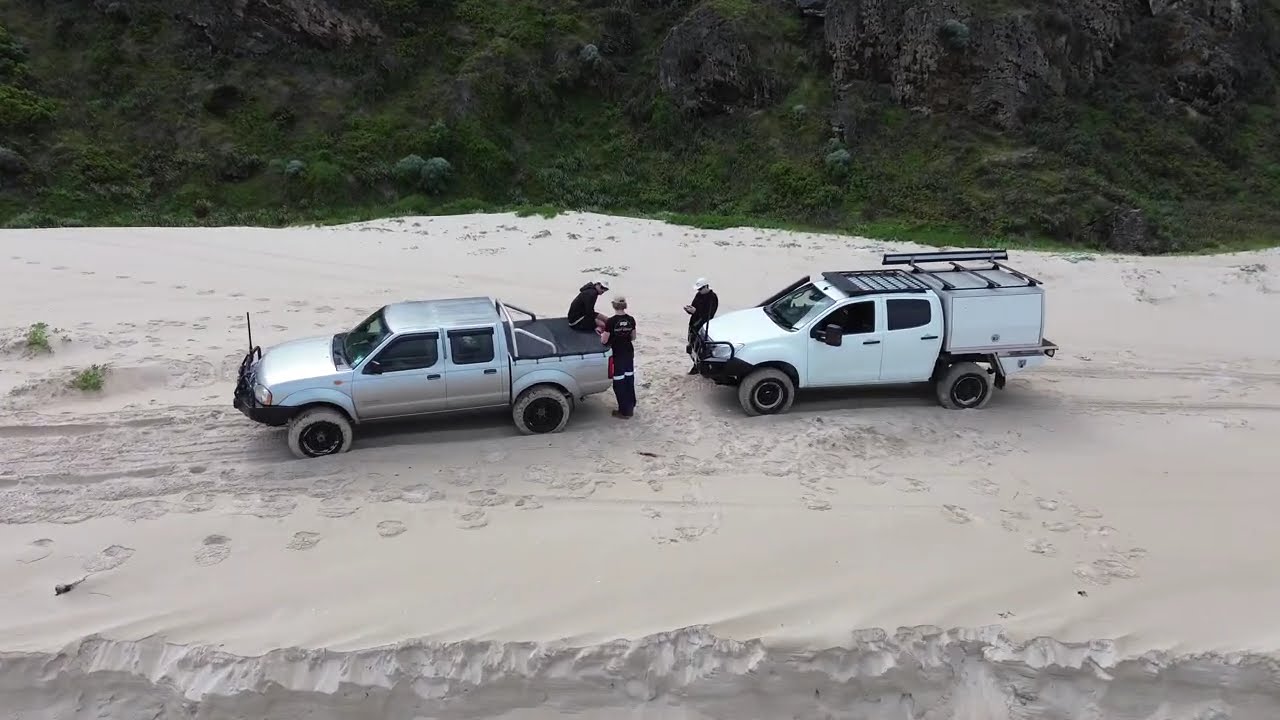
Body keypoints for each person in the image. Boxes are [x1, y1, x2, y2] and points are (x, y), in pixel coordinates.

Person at [600, 295, 637, 419]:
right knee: (629, 379)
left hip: (618, 354)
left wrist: (601, 334)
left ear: (613, 305)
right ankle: (631, 405)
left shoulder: (611, 321)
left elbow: (604, 341)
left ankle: (624, 411)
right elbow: (633, 337)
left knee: (619, 382)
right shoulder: (631, 319)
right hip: (628, 352)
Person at [683, 277, 719, 374]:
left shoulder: (712, 298)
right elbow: (694, 307)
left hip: (703, 326)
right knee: (691, 346)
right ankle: (695, 365)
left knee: (701, 348)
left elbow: (709, 314)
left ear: (706, 287)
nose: (699, 291)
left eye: (700, 289)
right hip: (693, 324)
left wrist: (696, 311)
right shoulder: (698, 295)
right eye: (698, 289)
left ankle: (700, 367)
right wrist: (689, 310)